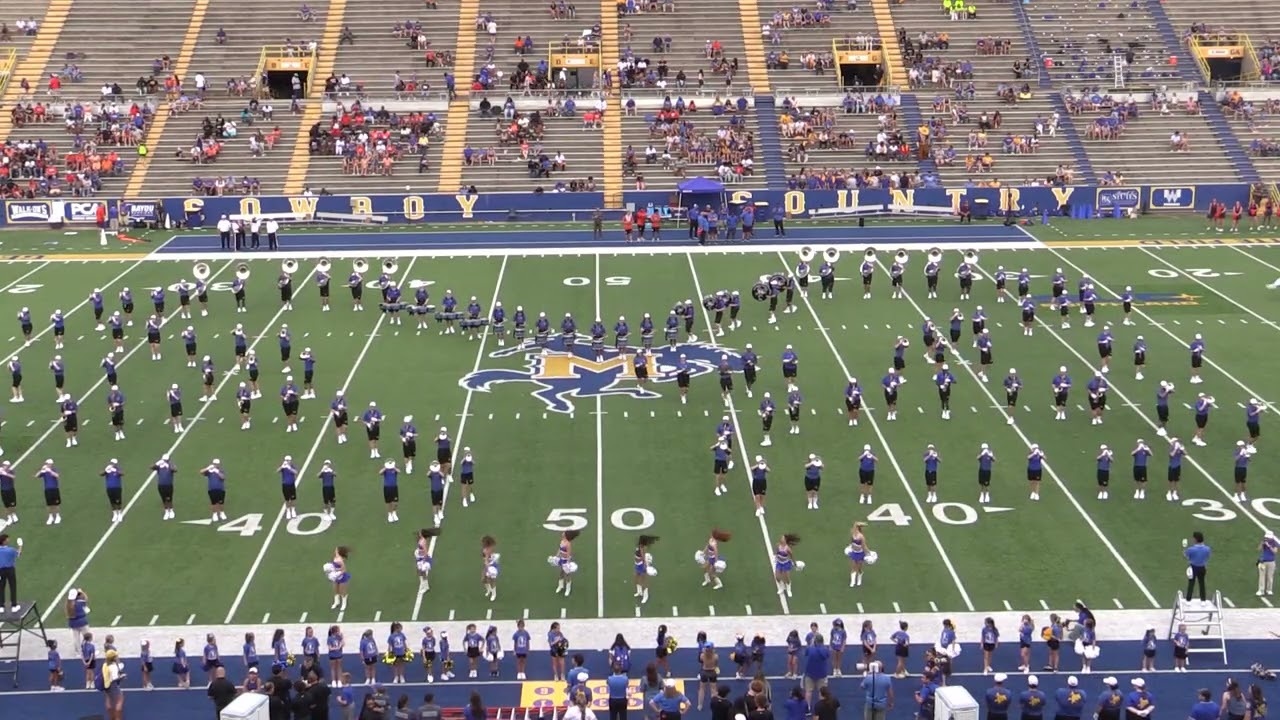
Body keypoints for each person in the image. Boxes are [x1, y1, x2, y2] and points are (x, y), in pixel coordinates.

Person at [803, 633, 831, 702]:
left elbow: (805, 653)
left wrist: (811, 644)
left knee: (808, 691)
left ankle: (807, 707)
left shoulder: (810, 649)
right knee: (822, 692)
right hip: (822, 674)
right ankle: (822, 706)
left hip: (810, 673)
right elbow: (827, 655)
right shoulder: (825, 649)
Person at [1185, 531, 1211, 601]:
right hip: (1202, 567)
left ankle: (1188, 600)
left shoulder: (1191, 549)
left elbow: (1186, 556)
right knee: (1202, 583)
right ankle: (1203, 600)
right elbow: (1207, 557)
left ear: (1195, 539)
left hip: (1193, 567)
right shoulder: (1207, 549)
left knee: (1191, 583)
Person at [101, 648, 127, 720]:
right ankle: (117, 718)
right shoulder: (113, 667)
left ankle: (111, 718)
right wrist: (122, 676)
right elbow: (115, 678)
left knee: (108, 700)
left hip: (106, 686)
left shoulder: (104, 665)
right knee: (119, 700)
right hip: (113, 685)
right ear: (114, 658)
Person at [0, 534, 20, 613]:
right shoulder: (10, 550)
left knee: (1, 588)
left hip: (1, 571)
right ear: (4, 541)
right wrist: (20, 545)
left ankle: (1, 606)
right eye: (7, 539)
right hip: (10, 570)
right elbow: (18, 554)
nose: (8, 540)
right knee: (12, 587)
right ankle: (14, 606)